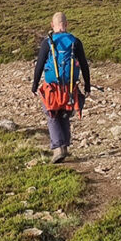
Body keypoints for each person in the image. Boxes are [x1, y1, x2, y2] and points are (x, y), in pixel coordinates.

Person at [31, 12, 90, 163]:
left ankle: (58, 149)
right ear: (66, 24)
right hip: (69, 86)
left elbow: (39, 65)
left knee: (52, 114)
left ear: (52, 25)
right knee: (64, 114)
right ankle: (64, 147)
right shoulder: (75, 41)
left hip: (52, 87)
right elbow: (84, 64)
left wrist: (34, 85)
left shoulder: (48, 42)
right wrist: (88, 86)